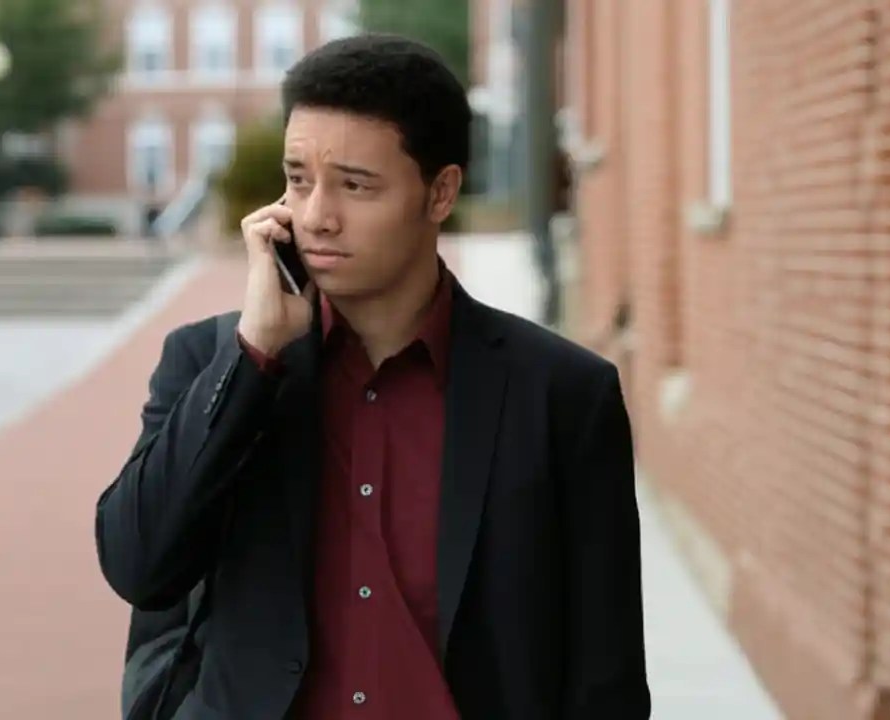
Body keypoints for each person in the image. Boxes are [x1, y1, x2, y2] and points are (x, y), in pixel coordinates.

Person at [95, 34, 650, 719]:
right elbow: (138, 566)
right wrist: (254, 358)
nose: (316, 216)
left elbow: (607, 678)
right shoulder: (212, 362)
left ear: (440, 192)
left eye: (355, 185)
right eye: (298, 180)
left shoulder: (563, 395)